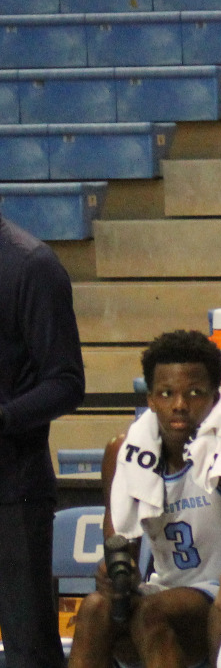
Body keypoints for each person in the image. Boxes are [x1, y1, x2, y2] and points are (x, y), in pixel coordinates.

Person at [71, 330, 221, 668]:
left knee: (149, 613)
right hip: (166, 591)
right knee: (94, 609)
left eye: (194, 393)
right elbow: (121, 550)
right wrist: (115, 575)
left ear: (214, 396)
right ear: (150, 399)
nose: (179, 404)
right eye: (165, 393)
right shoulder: (124, 452)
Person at [0, 212, 85, 668]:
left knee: (28, 650)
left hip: (12, 493)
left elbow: (67, 381)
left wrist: (4, 418)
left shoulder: (31, 265)